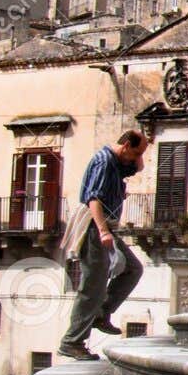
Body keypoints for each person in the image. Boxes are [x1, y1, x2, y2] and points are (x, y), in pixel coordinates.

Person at [57, 129, 148, 361]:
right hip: (94, 226)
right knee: (93, 286)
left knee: (133, 269)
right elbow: (93, 198)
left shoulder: (118, 163)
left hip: (104, 226)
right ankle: (72, 342)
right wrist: (103, 231)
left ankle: (101, 313)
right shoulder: (104, 161)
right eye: (137, 152)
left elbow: (139, 168)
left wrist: (140, 152)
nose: (138, 158)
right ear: (126, 145)